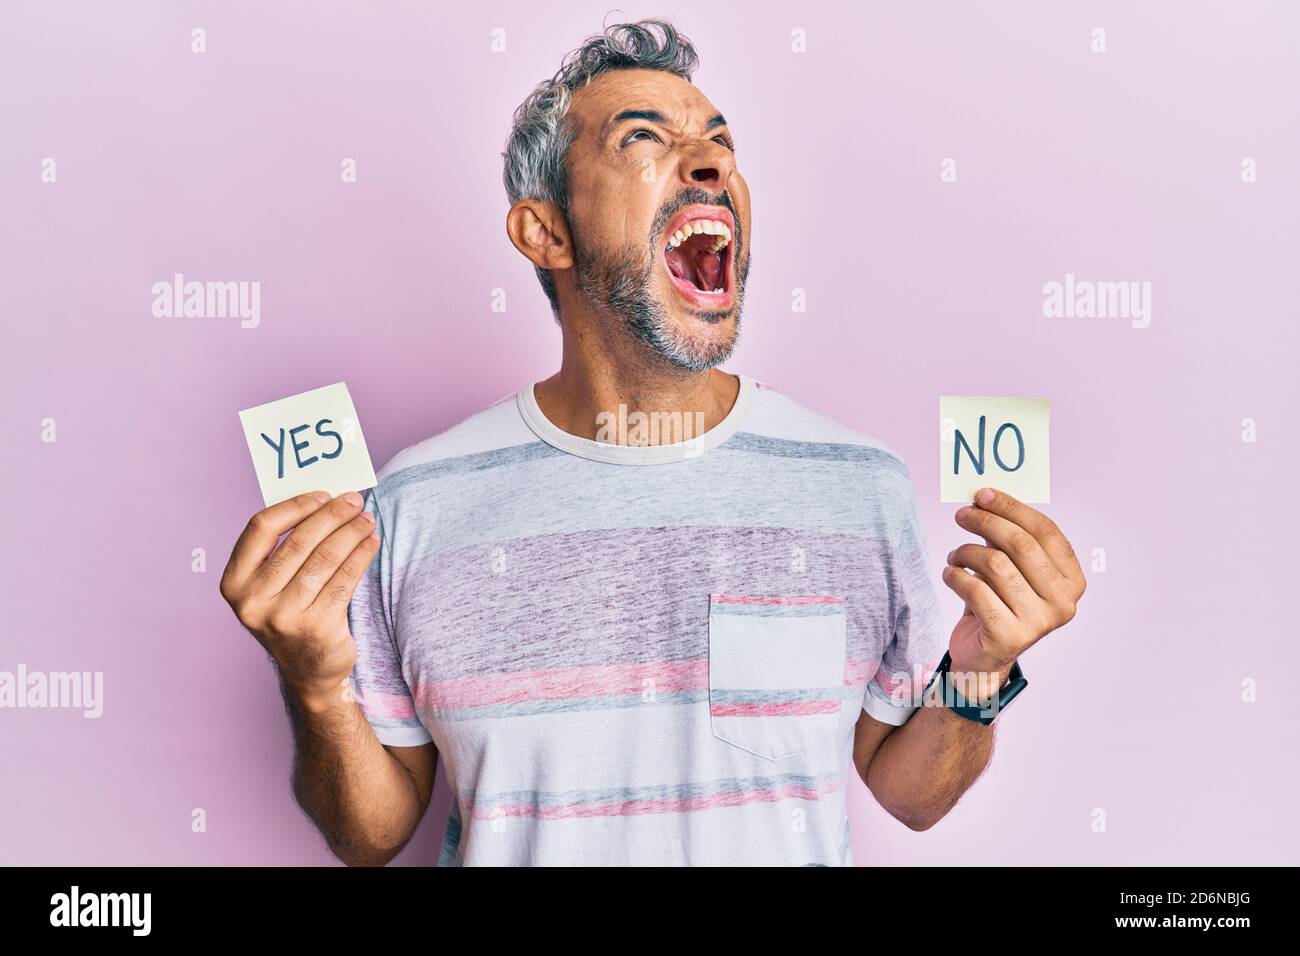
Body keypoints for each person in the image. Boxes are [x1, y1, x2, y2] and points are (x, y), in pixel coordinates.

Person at [219, 19, 1086, 866]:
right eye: (642, 139)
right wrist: (314, 683)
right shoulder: (414, 504)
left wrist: (981, 664)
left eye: (720, 142)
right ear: (544, 231)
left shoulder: (859, 487)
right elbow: (369, 837)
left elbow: (911, 794)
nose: (714, 162)